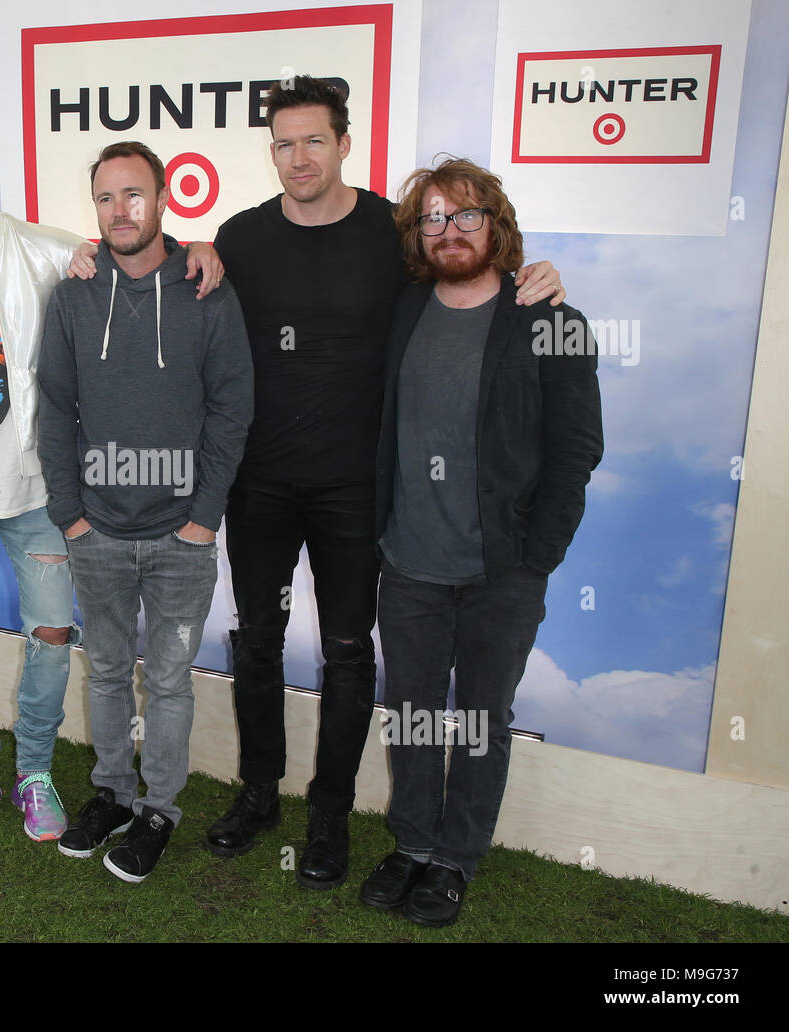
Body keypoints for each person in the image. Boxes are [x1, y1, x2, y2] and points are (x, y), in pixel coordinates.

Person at [205, 75, 566, 889]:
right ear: (272, 152)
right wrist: (188, 246)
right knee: (257, 639)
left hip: (356, 489)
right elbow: (184, 294)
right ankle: (259, 792)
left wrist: (535, 281)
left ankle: (330, 813)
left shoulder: (391, 234)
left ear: (343, 142)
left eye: (314, 141)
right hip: (258, 482)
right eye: (284, 144)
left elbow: (465, 279)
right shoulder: (239, 238)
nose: (299, 158)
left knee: (346, 654)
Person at [0, 112, 223, 841]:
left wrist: (202, 248)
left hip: (37, 494)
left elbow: (135, 251)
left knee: (52, 634)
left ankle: (34, 772)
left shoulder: (48, 254)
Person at [357, 157, 601, 925]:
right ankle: (413, 846)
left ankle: (456, 860)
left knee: (482, 719)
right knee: (414, 712)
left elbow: (576, 447)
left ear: (494, 224)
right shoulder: (403, 310)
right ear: (416, 235)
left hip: (504, 571)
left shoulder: (550, 320)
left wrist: (538, 557)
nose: (449, 230)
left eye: (465, 215)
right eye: (433, 218)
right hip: (409, 565)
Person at [38, 141, 253, 882]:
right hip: (96, 530)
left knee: (166, 680)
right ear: (94, 207)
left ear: (163, 199)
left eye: (135, 195)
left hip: (180, 538)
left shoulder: (205, 289)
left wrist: (204, 518)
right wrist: (70, 515)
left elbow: (233, 409)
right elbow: (53, 408)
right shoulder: (73, 292)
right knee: (102, 672)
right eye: (106, 198)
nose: (120, 210)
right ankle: (111, 794)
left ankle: (159, 810)